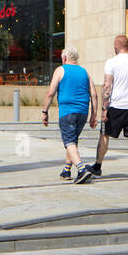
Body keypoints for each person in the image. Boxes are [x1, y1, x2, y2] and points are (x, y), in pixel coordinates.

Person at [93, 34, 128, 182]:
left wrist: (104, 110)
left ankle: (97, 167)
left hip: (117, 106)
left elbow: (107, 86)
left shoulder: (111, 62)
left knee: (104, 136)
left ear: (115, 46)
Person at [41, 47, 98, 183]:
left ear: (64, 58)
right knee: (73, 140)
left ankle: (81, 169)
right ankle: (66, 170)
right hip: (83, 112)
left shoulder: (61, 70)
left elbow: (50, 93)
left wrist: (45, 111)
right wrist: (94, 115)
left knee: (69, 141)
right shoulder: (85, 72)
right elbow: (94, 94)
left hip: (67, 112)